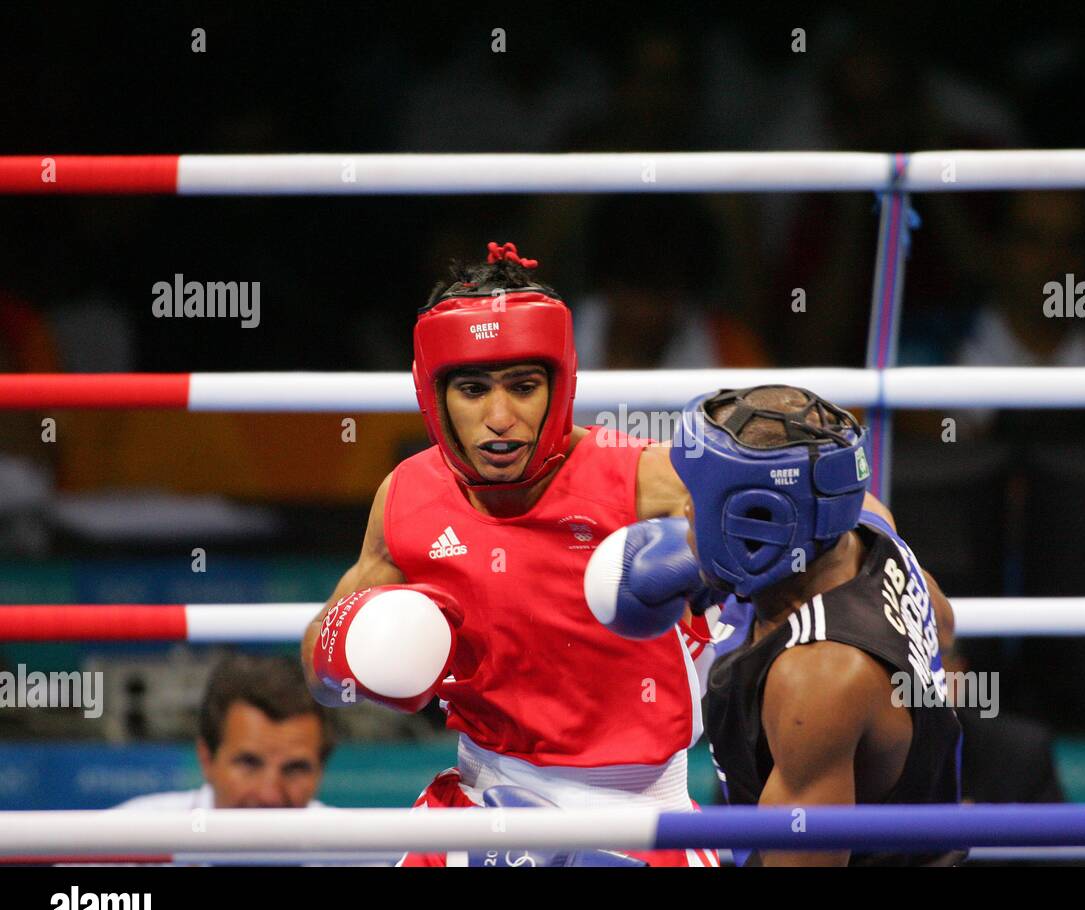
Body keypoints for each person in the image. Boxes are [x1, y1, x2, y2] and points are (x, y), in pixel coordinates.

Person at [301, 242, 725, 867]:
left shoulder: (647, 482)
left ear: (560, 384)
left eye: (523, 387)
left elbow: (835, 523)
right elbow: (319, 668)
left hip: (640, 824)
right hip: (481, 808)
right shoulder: (408, 496)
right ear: (436, 396)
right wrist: (351, 653)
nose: (500, 418)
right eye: (472, 390)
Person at [670, 385, 963, 866]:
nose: (684, 512)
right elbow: (944, 627)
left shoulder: (816, 680)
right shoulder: (870, 529)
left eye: (696, 499)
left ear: (760, 520)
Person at [117, 655, 332, 811]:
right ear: (207, 760)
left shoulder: (356, 851)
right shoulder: (128, 842)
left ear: (320, 772)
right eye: (249, 763)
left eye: (295, 768)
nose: (270, 795)